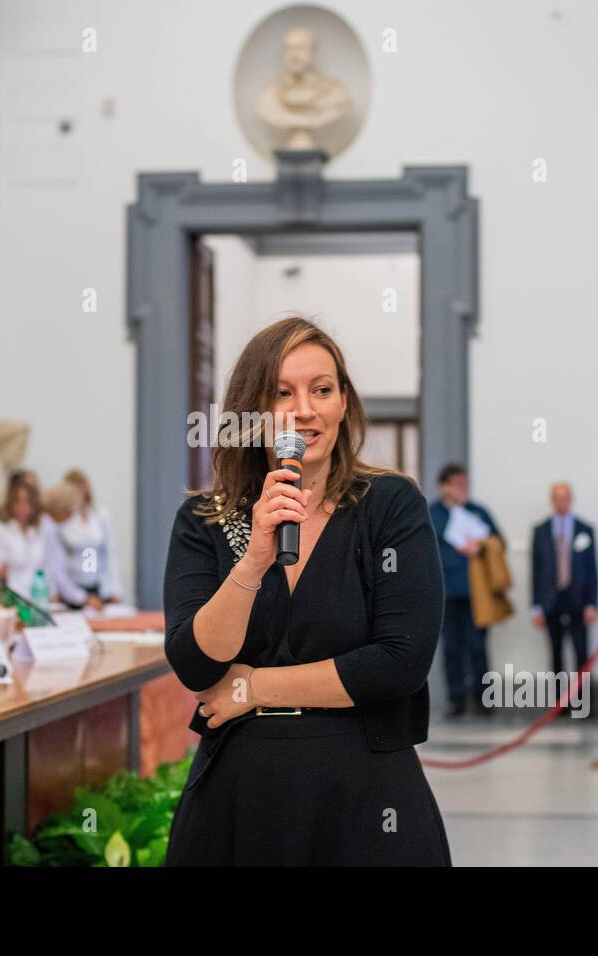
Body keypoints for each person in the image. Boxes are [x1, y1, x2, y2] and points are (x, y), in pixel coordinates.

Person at [162, 314, 450, 866]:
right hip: (239, 797)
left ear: (344, 402)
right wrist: (254, 559)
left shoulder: (389, 505)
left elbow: (400, 662)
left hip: (366, 794)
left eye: (322, 390)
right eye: (282, 393)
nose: (305, 410)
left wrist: (253, 688)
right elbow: (196, 664)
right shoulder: (205, 519)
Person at [429, 462, 501, 717]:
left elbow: (497, 541)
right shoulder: (432, 513)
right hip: (446, 592)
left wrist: (479, 546)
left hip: (476, 593)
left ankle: (484, 699)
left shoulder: (478, 511)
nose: (463, 489)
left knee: (478, 645)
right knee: (451, 647)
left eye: (465, 484)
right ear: (445, 486)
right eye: (458, 484)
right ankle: (456, 699)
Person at [530, 482, 598, 678]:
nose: (562, 502)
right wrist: (536, 605)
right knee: (556, 653)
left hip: (577, 599)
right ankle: (561, 702)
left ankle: (583, 702)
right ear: (552, 501)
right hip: (552, 599)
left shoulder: (585, 529)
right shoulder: (541, 530)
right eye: (558, 498)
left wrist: (592, 603)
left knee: (581, 652)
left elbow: (592, 570)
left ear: (571, 500)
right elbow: (536, 570)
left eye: (566, 498)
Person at [57, 468, 123, 607]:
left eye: (81, 487)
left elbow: (111, 554)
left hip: (98, 586)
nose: (78, 493)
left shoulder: (101, 516)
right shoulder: (63, 520)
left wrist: (116, 590)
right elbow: (58, 563)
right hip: (73, 587)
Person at [0, 472, 49, 598]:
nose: (22, 508)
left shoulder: (36, 530)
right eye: (18, 502)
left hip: (35, 596)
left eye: (27, 502)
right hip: (8, 596)